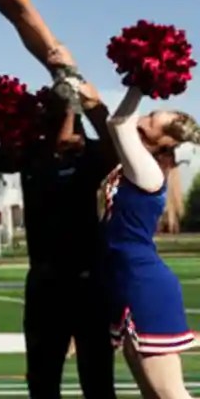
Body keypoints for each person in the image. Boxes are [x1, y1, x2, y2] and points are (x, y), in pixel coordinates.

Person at [0, 91, 117, 398]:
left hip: (89, 281)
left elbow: (117, 145)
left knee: (97, 379)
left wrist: (88, 107)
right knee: (42, 379)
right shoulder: (32, 153)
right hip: (45, 282)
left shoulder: (91, 155)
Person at [86, 80, 199, 398]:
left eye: (152, 123)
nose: (142, 120)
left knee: (170, 394)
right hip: (126, 284)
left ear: (163, 143)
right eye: (149, 114)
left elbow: (117, 122)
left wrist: (139, 82)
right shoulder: (133, 167)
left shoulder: (148, 172)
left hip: (144, 287)